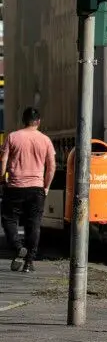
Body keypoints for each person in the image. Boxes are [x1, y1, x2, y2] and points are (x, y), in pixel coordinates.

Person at [2, 107, 56, 273]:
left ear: (23, 121)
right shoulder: (45, 140)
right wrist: (46, 186)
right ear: (38, 121)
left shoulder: (12, 137)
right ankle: (29, 262)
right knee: (34, 225)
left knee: (9, 219)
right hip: (36, 188)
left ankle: (18, 247)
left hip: (15, 186)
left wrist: (1, 180)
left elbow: (3, 161)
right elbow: (51, 167)